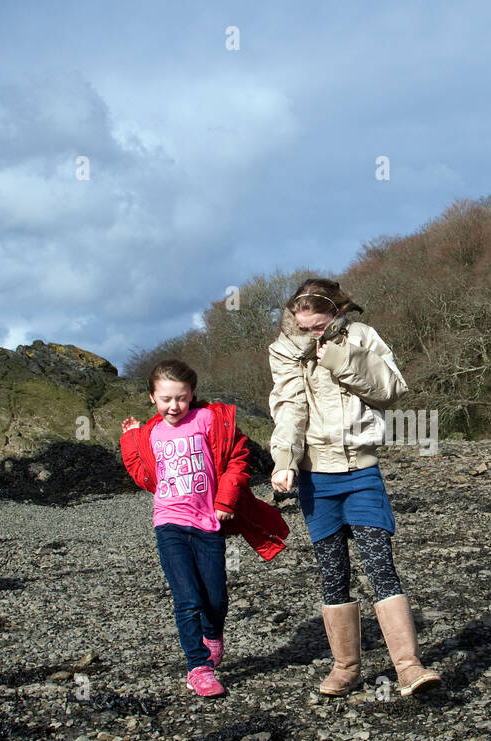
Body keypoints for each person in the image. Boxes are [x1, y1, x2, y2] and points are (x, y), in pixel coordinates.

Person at [268, 278, 440, 697]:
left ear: (336, 313)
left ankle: (408, 667)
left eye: (318, 326)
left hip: (362, 470)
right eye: (303, 328)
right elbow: (289, 408)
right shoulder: (283, 351)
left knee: (381, 564)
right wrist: (285, 462)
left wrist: (341, 358)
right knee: (333, 574)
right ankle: (345, 667)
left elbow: (391, 390)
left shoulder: (363, 336)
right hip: (314, 477)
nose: (311, 336)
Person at [121, 359, 289, 697]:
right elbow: (143, 475)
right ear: (152, 397)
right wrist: (129, 440)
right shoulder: (150, 433)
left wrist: (226, 500)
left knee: (214, 596)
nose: (173, 406)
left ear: (192, 394)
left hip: (208, 523)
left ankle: (213, 634)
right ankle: (198, 668)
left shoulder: (210, 419)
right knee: (187, 599)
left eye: (181, 398)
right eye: (166, 399)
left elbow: (237, 460)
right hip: (169, 524)